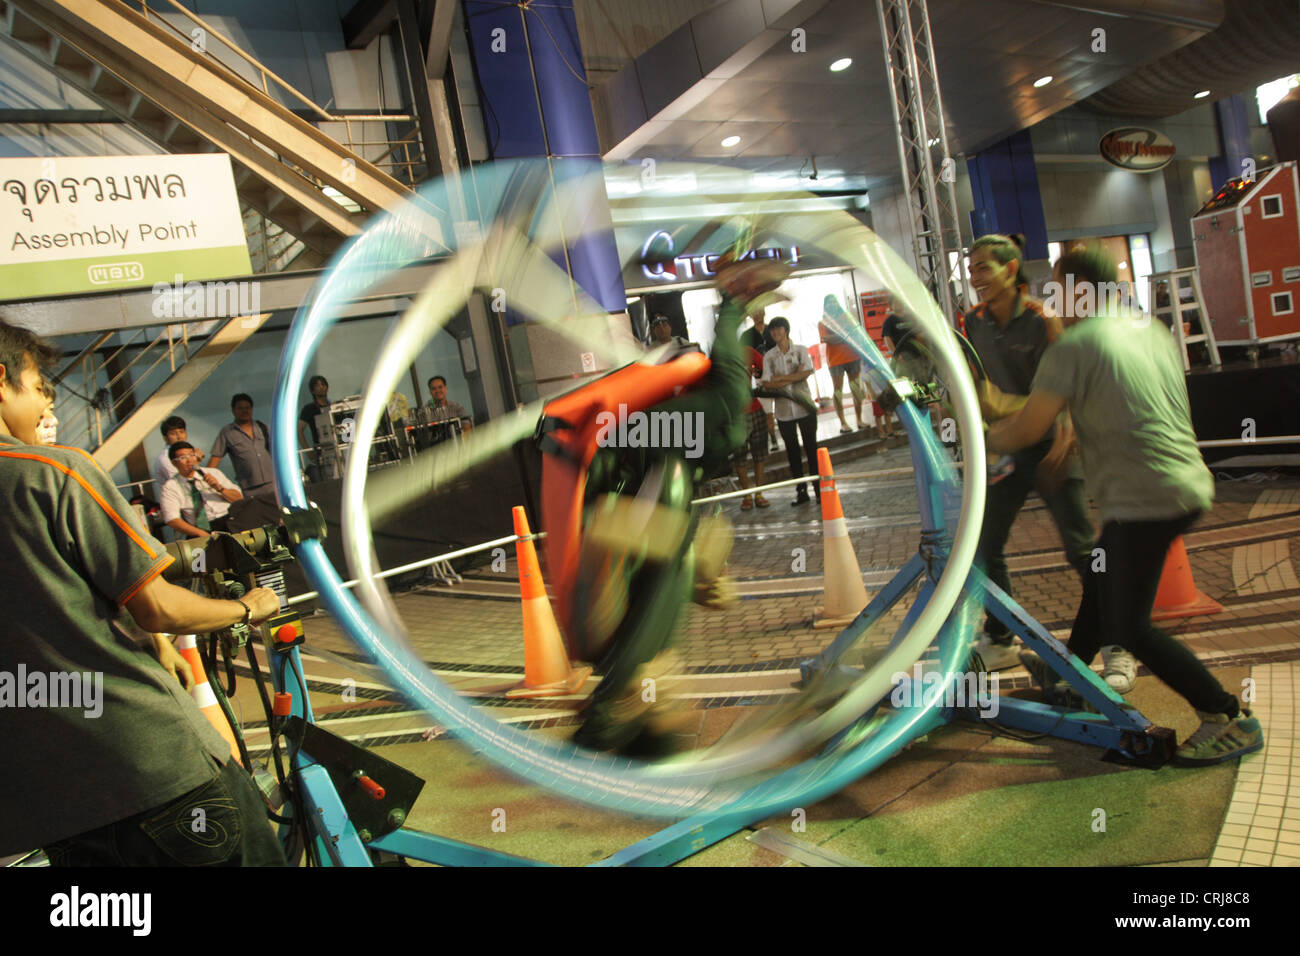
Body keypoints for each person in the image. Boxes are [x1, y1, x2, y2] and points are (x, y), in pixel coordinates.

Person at [0, 318, 284, 865]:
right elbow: (157, 607)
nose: (44, 408)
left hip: (52, 812)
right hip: (155, 775)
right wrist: (247, 606)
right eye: (38, 388)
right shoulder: (54, 475)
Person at [987, 243, 1262, 766]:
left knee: (1128, 623)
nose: (1054, 299)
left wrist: (980, 439)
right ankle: (1069, 671)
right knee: (1102, 579)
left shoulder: (1076, 345)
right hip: (1183, 484)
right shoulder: (1150, 331)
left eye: (1059, 287)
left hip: (1145, 499)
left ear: (1078, 290)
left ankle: (1225, 715)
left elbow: (1028, 427)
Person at [964, 234, 1101, 677]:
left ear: (1011, 268)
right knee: (984, 547)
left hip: (1053, 445)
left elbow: (1063, 390)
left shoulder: (1042, 321)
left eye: (984, 266)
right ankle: (1001, 638)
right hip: (1009, 449)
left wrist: (1065, 437)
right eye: (971, 268)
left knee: (1081, 549)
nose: (974, 276)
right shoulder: (974, 322)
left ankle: (1119, 640)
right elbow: (977, 389)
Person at [761, 316, 820, 506]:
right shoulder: (769, 356)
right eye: (772, 330)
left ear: (786, 330)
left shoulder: (801, 350)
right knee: (792, 453)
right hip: (784, 411)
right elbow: (767, 383)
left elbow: (807, 372)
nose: (775, 332)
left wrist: (782, 379)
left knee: (812, 448)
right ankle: (801, 491)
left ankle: (819, 490)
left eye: (779, 329)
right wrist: (794, 377)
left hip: (804, 407)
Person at [159, 440, 243, 538]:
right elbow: (172, 519)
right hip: (201, 529)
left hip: (230, 520)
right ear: (174, 463)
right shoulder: (170, 487)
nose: (189, 460)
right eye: (183, 458)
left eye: (191, 455)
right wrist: (201, 534)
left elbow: (238, 499)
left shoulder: (213, 473)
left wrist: (219, 488)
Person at [208, 393, 276, 497]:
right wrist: (209, 481)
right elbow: (214, 461)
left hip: (273, 483)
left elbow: (276, 452)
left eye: (247, 408)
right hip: (250, 489)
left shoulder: (262, 427)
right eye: (240, 408)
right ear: (233, 410)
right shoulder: (227, 432)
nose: (244, 411)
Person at [730, 343, 771, 511]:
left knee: (759, 453)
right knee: (739, 457)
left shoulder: (747, 351)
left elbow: (765, 368)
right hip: (734, 415)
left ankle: (759, 493)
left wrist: (758, 374)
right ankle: (746, 495)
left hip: (754, 407)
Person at [820, 294, 866, 434]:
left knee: (856, 388)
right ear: (825, 306)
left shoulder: (846, 317)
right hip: (835, 361)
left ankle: (859, 419)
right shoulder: (823, 322)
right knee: (838, 391)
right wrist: (845, 334)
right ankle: (843, 423)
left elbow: (855, 334)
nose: (832, 305)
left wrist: (837, 337)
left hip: (852, 357)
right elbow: (826, 339)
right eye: (829, 303)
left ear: (837, 303)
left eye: (834, 302)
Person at [740, 311, 780, 452]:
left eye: (759, 311)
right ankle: (773, 438)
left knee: (782, 407)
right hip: (760, 379)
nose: (757, 315)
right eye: (754, 312)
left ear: (764, 312)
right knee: (768, 411)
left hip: (779, 375)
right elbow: (743, 358)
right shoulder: (746, 336)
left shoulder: (774, 330)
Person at [153, 415, 204, 491]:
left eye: (181, 432)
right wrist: (196, 462)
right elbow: (183, 480)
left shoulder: (189, 451)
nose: (179, 436)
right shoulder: (165, 458)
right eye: (173, 433)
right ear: (165, 438)